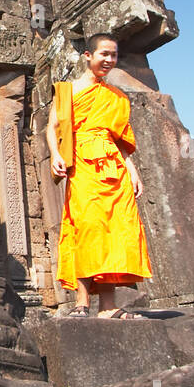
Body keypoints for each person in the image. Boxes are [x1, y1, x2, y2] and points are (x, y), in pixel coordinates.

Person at [46, 34, 151, 318]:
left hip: (114, 167)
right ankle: (81, 303)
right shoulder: (67, 90)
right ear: (88, 56)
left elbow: (120, 141)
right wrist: (55, 154)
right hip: (82, 164)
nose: (109, 60)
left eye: (114, 55)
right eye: (104, 54)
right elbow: (52, 126)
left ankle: (108, 306)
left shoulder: (116, 96)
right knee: (87, 228)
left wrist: (133, 171)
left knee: (116, 232)